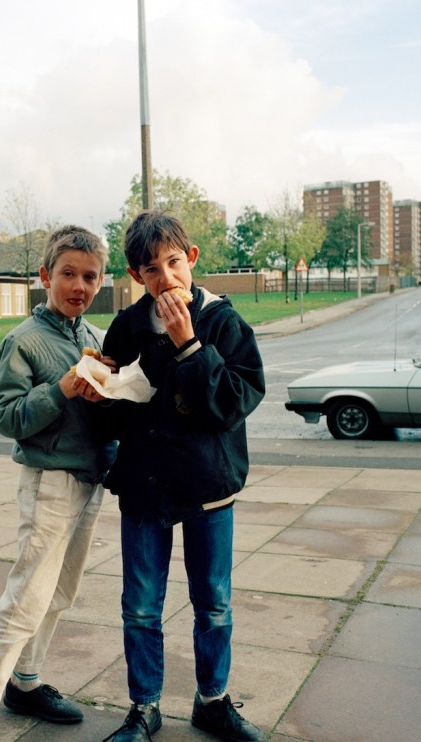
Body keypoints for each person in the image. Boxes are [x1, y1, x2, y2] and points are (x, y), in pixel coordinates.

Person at [99, 210, 266, 742]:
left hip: (208, 487)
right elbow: (116, 416)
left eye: (173, 262)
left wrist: (190, 345)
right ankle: (144, 707)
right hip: (146, 487)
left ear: (191, 259)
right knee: (141, 606)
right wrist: (100, 386)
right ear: (136, 276)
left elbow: (235, 402)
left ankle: (212, 702)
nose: (165, 278)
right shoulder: (125, 328)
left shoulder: (224, 323)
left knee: (213, 603)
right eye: (151, 269)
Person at [0, 225, 117, 742]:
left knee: (60, 593)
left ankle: (26, 682)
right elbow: (5, 417)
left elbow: (99, 416)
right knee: (25, 598)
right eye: (68, 274)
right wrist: (63, 388)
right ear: (45, 276)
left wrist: (108, 395)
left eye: (90, 277)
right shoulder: (24, 340)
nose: (79, 286)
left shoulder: (91, 338)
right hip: (49, 482)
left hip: (89, 481)